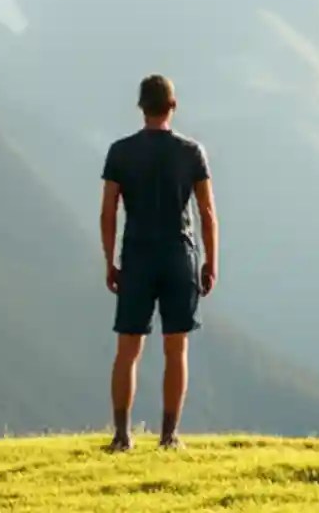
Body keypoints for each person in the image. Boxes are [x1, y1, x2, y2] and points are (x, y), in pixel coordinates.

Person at [100, 73, 218, 452]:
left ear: (141, 107)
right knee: (176, 347)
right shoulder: (192, 152)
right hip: (179, 255)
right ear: (173, 105)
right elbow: (207, 212)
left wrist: (110, 261)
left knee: (128, 349)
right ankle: (169, 436)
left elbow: (108, 212)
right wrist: (210, 262)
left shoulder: (120, 152)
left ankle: (121, 436)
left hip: (136, 254)